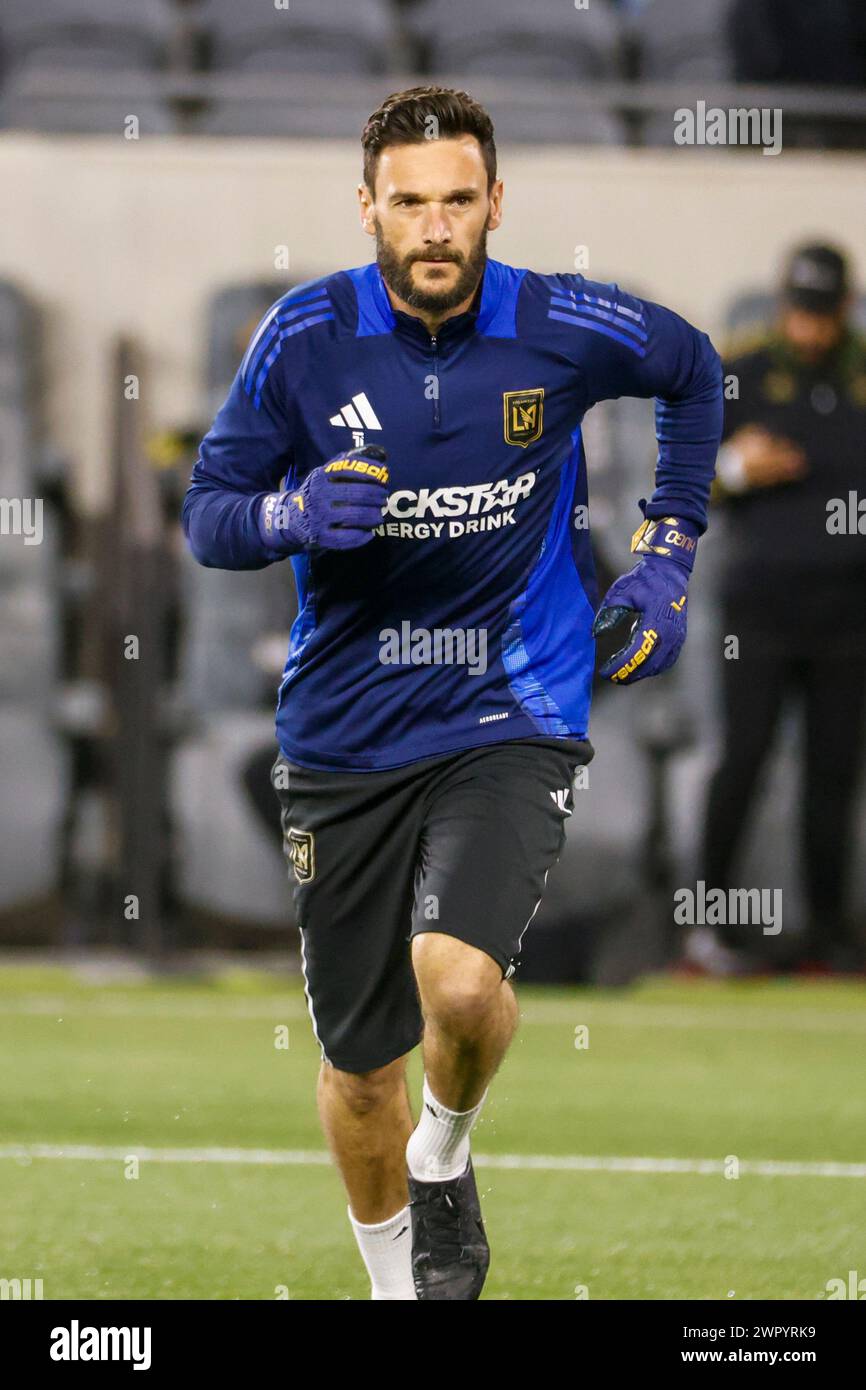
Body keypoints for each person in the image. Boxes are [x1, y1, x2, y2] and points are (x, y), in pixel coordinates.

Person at [181, 86, 723, 1301]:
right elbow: (208, 513)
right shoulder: (303, 335)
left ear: (493, 203)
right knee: (358, 1064)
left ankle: (449, 1144)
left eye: (457, 202)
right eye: (409, 202)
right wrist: (287, 514)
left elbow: (693, 369)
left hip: (510, 703)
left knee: (461, 979)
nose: (435, 227)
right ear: (367, 207)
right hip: (342, 728)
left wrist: (667, 552)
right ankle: (396, 1287)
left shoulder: (561, 322)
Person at [698, 243, 866, 973]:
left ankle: (826, 933)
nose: (810, 331)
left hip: (850, 610)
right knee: (743, 759)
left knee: (833, 773)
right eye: (801, 313)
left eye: (823, 316)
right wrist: (736, 468)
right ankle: (707, 928)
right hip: (760, 609)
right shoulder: (743, 374)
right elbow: (681, 480)